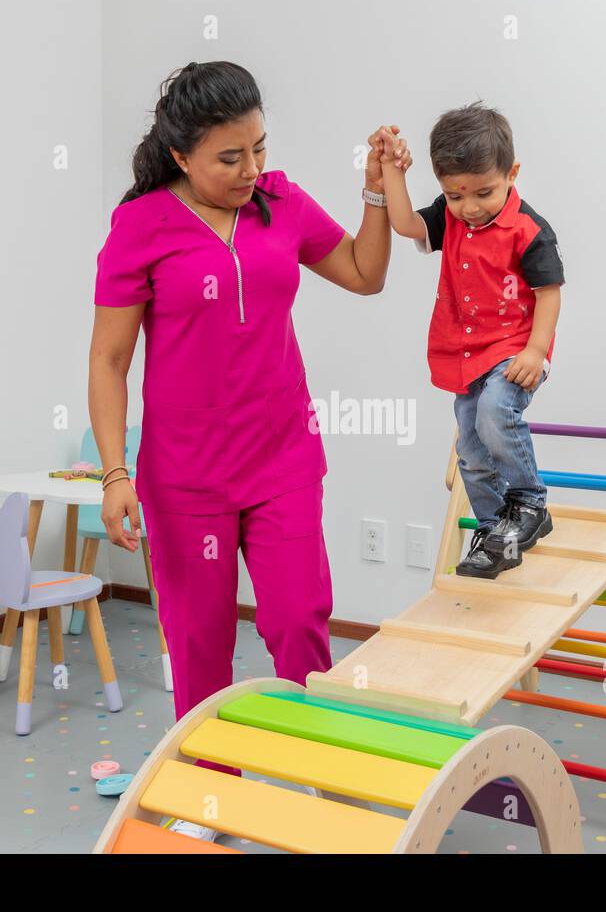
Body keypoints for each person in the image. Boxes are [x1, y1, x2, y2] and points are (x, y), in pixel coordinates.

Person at [88, 61, 408, 840]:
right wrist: (114, 473)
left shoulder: (282, 203)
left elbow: (366, 275)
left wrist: (374, 190)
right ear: (181, 158)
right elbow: (108, 361)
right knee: (198, 643)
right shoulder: (141, 227)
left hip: (282, 460)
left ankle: (316, 771)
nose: (251, 170)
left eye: (259, 149)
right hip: (184, 477)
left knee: (299, 619)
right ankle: (208, 792)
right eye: (230, 158)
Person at [376, 102, 564, 578]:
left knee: (494, 412)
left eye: (484, 192)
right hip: (465, 353)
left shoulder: (529, 230)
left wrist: (536, 352)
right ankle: (494, 530)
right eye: (455, 196)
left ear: (512, 173)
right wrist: (391, 172)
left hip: (514, 351)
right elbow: (405, 225)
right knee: (471, 452)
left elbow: (549, 292)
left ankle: (530, 503)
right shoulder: (452, 217)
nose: (470, 207)